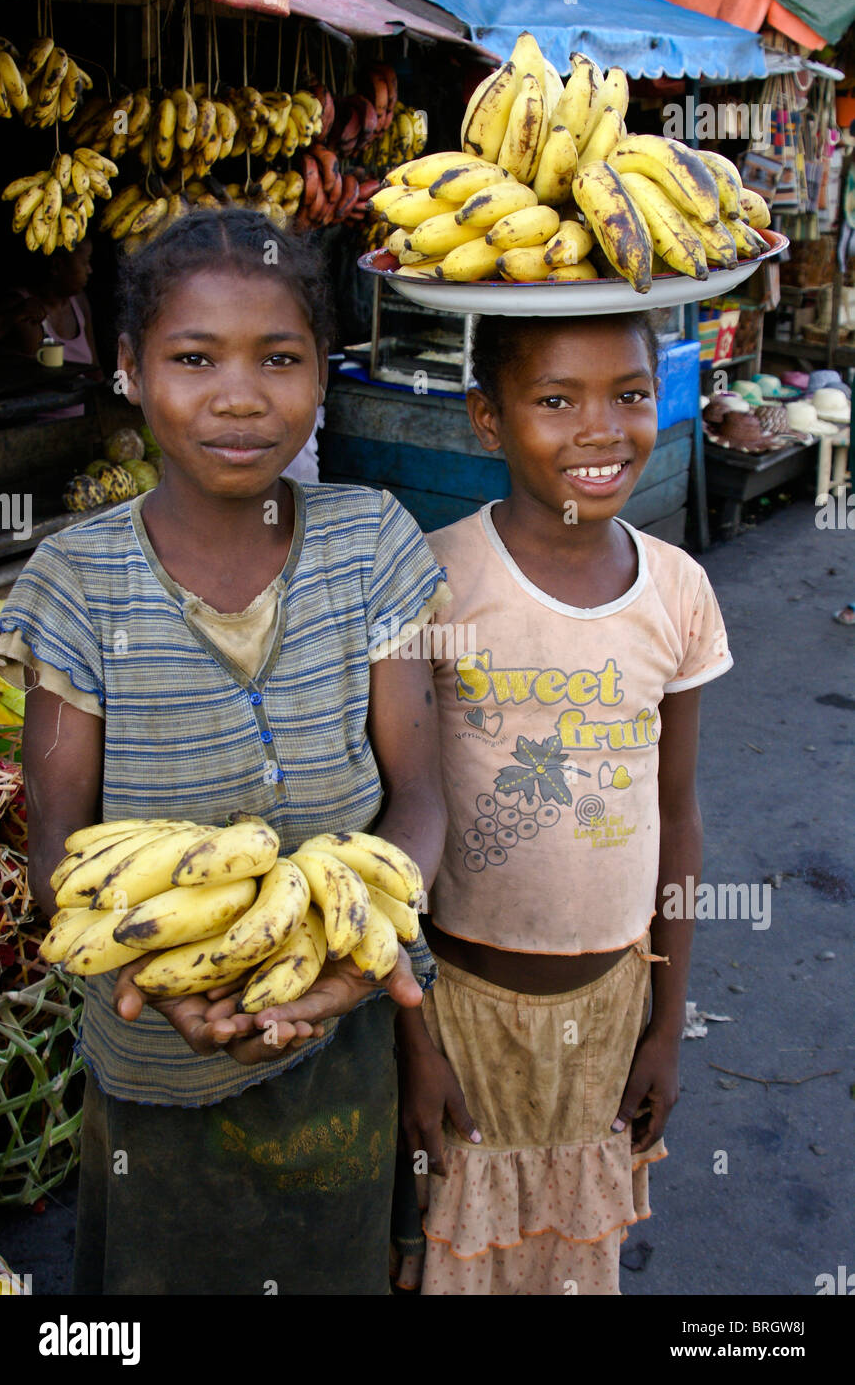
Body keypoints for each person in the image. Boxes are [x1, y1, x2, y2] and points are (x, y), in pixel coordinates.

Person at [0, 209, 472, 1295]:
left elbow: (422, 801)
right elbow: (63, 841)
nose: (240, 395)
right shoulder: (74, 583)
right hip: (152, 1060)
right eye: (193, 358)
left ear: (321, 375)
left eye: (279, 358)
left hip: (345, 1032)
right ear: (127, 372)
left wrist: (359, 966)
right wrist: (160, 980)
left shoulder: (370, 544)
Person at [400, 312, 733, 1296]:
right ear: (485, 419)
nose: (600, 429)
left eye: (628, 394)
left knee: (566, 1266)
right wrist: (411, 1045)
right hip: (459, 1014)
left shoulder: (675, 592)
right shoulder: (435, 580)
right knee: (451, 1255)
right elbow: (390, 816)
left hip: (611, 1015)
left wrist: (666, 1028)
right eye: (555, 399)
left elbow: (675, 814)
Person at [8, 237, 102, 417]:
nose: (90, 270)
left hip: (85, 423)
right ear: (57, 266)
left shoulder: (79, 302)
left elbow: (94, 369)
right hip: (40, 428)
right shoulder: (24, 310)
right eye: (84, 262)